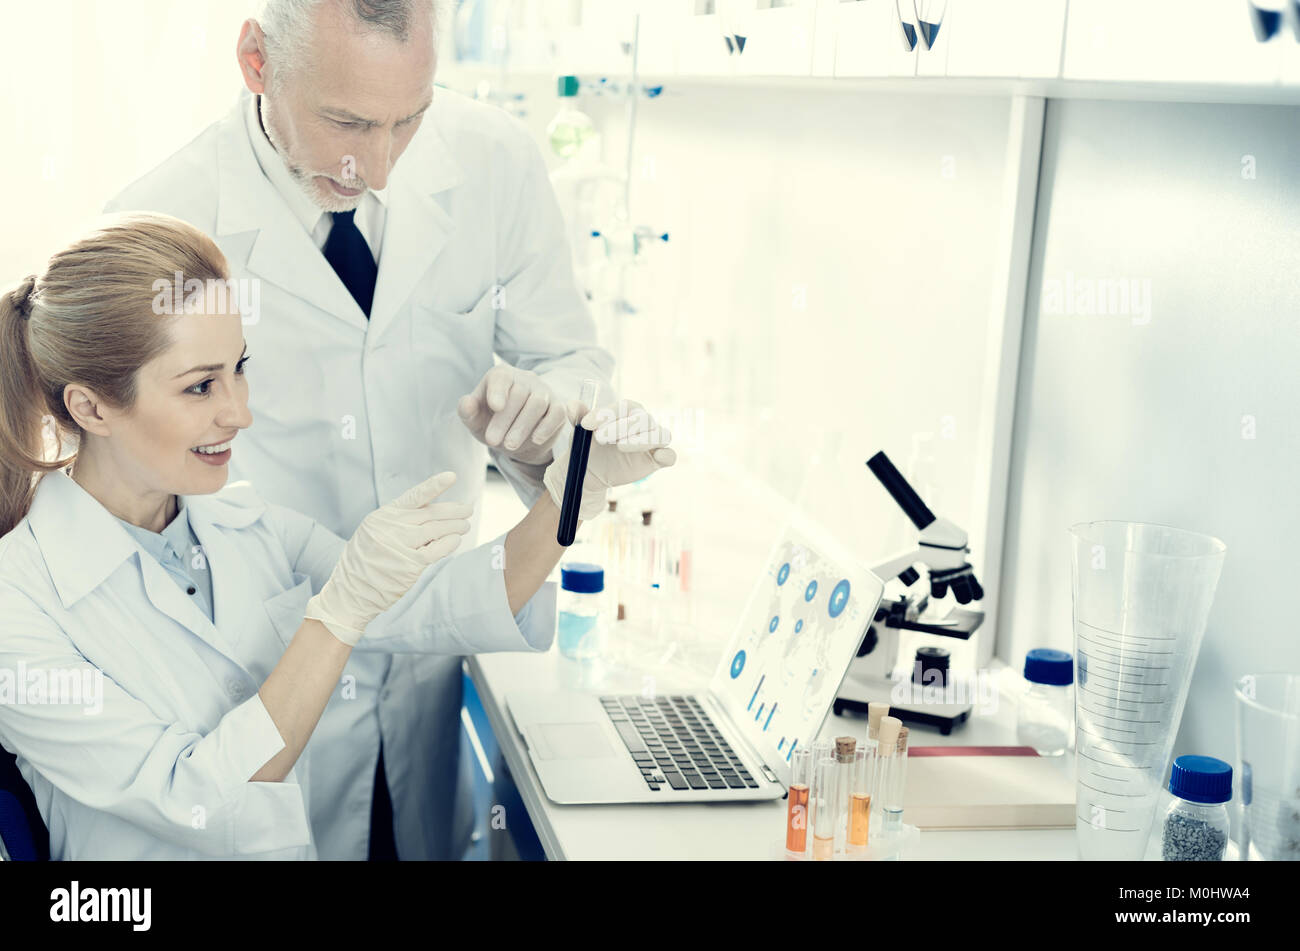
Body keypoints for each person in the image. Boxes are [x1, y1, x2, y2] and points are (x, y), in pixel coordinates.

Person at [105, 0, 621, 859]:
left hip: (430, 671)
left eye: (409, 121)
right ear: (256, 60)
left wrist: (545, 419)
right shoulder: (159, 222)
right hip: (262, 685)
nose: (377, 168)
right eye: (345, 122)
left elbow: (574, 361)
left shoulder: (494, 160)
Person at [0, 213, 673, 859]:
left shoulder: (244, 524)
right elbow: (201, 798)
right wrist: (337, 613)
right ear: (90, 407)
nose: (240, 410)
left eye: (239, 367)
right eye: (201, 386)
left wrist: (572, 494)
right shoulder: (18, 601)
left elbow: (437, 604)